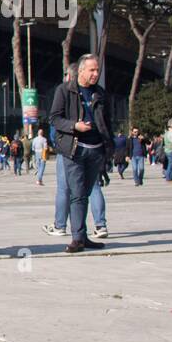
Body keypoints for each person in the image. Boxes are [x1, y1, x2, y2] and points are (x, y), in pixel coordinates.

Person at [49, 53, 114, 254]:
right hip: (75, 150)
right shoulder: (65, 90)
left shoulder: (100, 93)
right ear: (81, 70)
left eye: (97, 70)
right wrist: (74, 126)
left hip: (96, 151)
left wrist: (108, 148)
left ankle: (83, 235)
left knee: (85, 194)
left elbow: (107, 121)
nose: (95, 74)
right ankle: (77, 238)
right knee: (77, 194)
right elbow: (54, 119)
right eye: (92, 70)